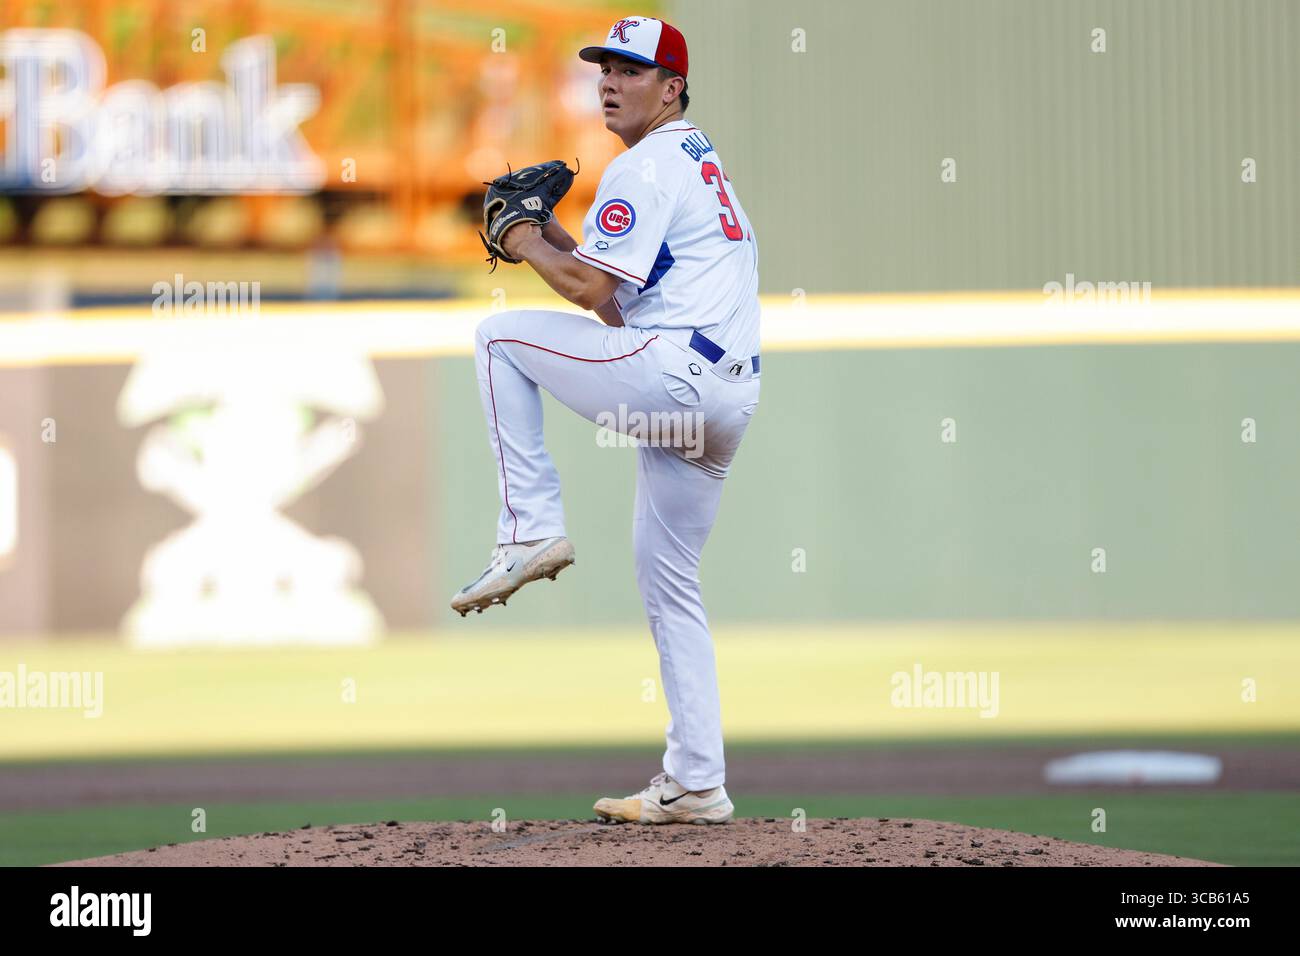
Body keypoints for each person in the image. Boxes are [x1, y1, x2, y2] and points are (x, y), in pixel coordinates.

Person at [451, 15, 761, 825]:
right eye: (605, 68)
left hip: (676, 378)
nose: (612, 81)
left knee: (496, 336)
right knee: (671, 585)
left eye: (633, 69)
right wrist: (550, 233)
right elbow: (617, 302)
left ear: (673, 88)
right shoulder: (695, 160)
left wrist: (518, 232)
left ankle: (529, 530)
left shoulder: (645, 167)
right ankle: (698, 782)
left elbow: (589, 296)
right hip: (720, 397)